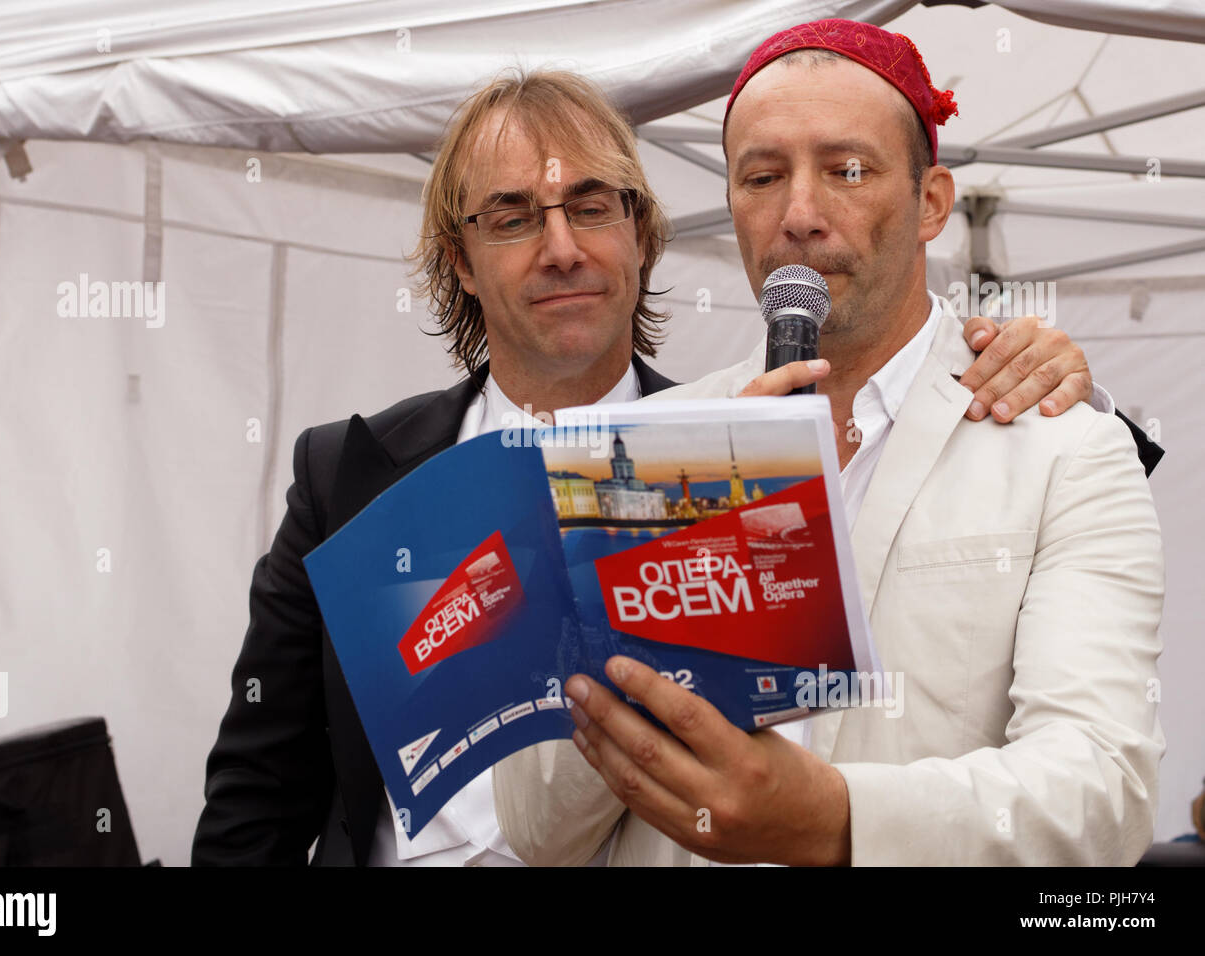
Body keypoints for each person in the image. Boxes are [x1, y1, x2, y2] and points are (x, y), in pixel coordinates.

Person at [193, 65, 1153, 867]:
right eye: (516, 216)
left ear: (643, 234)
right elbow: (264, 782)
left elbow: (1096, 783)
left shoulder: (706, 441)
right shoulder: (355, 470)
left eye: (590, 207)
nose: (561, 249)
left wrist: (1081, 398)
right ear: (463, 255)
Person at [492, 20, 1166, 867]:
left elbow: (1101, 793)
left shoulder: (1065, 449)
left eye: (847, 170)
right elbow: (538, 831)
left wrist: (837, 820)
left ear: (931, 204)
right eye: (762, 176)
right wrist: (652, 569)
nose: (800, 215)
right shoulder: (644, 447)